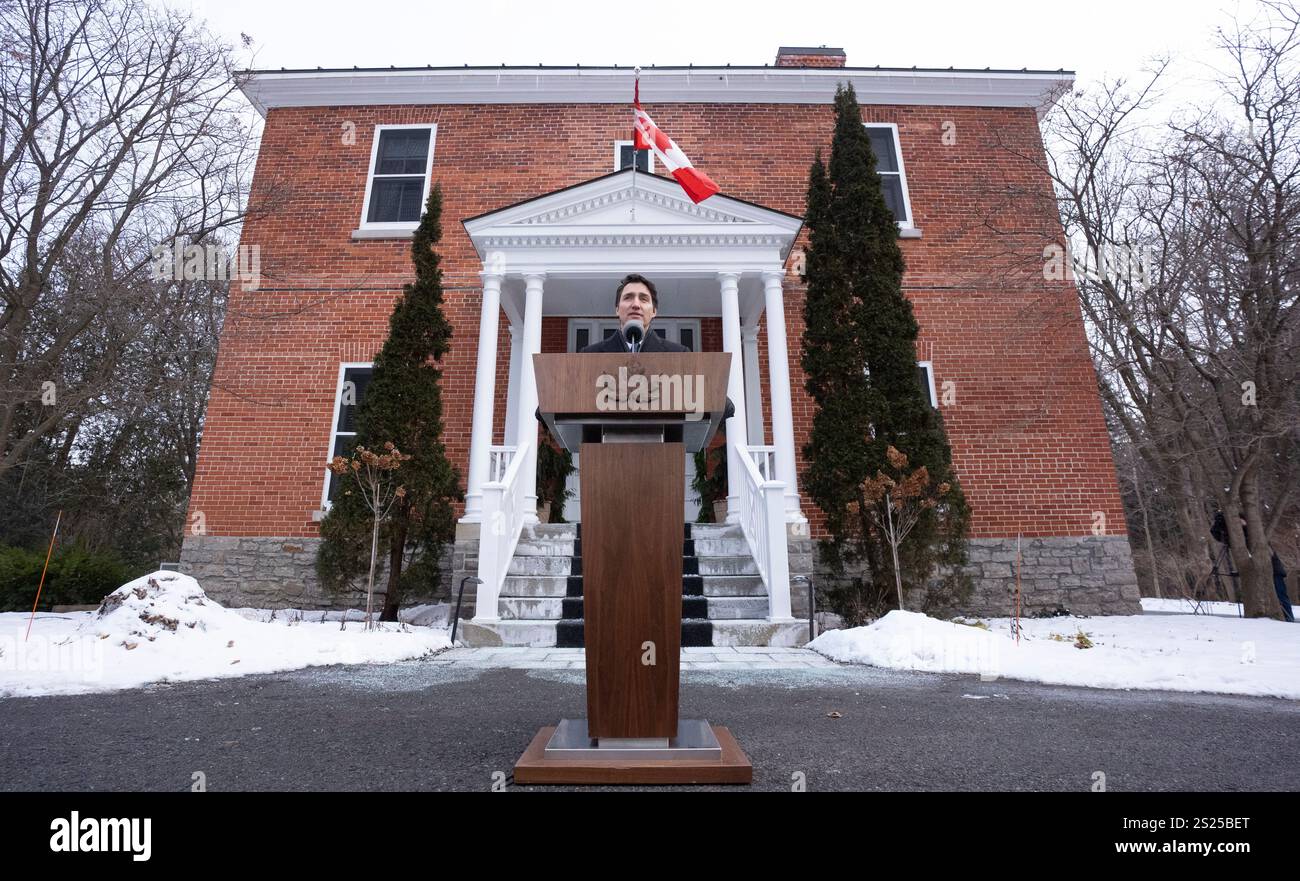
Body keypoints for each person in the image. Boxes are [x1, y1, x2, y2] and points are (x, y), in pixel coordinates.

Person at [1211, 510, 1294, 622]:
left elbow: (1264, 553)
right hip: (1264, 570)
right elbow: (1216, 534)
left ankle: (1289, 619)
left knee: (1280, 596)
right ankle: (1285, 618)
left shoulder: (1255, 535)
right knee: (1276, 596)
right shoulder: (1238, 539)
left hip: (1273, 570)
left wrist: (1243, 526)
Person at [579, 273, 689, 353]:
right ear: (617, 309)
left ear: (654, 311)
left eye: (643, 299)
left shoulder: (679, 354)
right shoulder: (589, 354)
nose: (636, 304)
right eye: (628, 298)